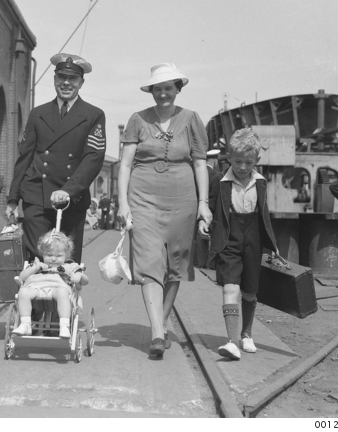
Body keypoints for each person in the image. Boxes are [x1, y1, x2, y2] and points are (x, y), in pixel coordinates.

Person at [118, 63, 212, 357]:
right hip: (143, 198)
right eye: (157, 89)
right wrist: (123, 203)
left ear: (177, 89)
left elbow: (199, 164)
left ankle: (161, 322)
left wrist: (203, 205)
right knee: (149, 263)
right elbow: (124, 164)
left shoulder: (191, 119)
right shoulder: (138, 120)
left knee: (175, 265)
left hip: (183, 200)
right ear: (152, 91)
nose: (162, 94)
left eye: (167, 89)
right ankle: (158, 333)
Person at [6, 53, 106, 263]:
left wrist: (67, 191)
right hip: (37, 197)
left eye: (73, 79)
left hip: (72, 199)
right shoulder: (38, 114)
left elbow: (93, 159)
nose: (66, 83)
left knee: (67, 263)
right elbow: (25, 157)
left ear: (81, 82)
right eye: (61, 77)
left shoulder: (94, 115)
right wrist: (13, 198)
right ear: (54, 79)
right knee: (37, 259)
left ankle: (64, 297)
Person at [199, 128, 278, 360]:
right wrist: (204, 222)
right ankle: (232, 341)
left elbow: (264, 215)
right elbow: (211, 208)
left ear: (257, 160)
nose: (243, 167)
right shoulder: (219, 181)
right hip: (229, 239)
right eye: (238, 161)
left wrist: (273, 245)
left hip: (253, 238)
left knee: (250, 291)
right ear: (229, 158)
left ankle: (247, 333)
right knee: (230, 287)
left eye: (248, 162)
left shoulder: (261, 182)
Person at [11, 230, 89, 338]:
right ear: (42, 253)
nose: (53, 258)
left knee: (62, 292)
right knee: (23, 292)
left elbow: (85, 281)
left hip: (57, 289)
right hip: (36, 289)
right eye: (49, 255)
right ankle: (26, 324)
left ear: (66, 255)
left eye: (58, 255)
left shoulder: (70, 266)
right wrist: (35, 268)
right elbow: (22, 277)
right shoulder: (37, 265)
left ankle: (64, 326)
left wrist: (79, 276)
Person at [194, 149, 222, 268]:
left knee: (197, 235)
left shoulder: (196, 173)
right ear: (215, 161)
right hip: (207, 208)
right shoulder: (215, 175)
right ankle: (207, 264)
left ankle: (198, 261)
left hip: (195, 207)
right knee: (206, 236)